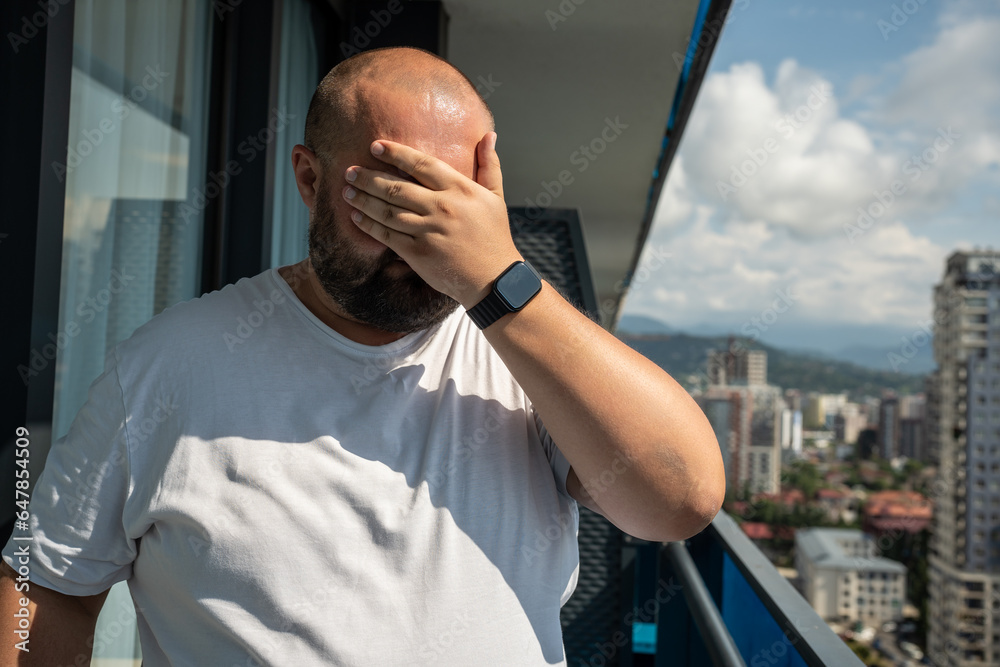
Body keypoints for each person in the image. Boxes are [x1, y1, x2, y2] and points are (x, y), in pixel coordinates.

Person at [0, 47, 724, 666]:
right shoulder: (167, 365)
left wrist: (501, 280)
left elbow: (680, 499)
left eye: (450, 201)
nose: (420, 238)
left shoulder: (527, 357)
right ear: (309, 179)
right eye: (389, 197)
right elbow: (46, 577)